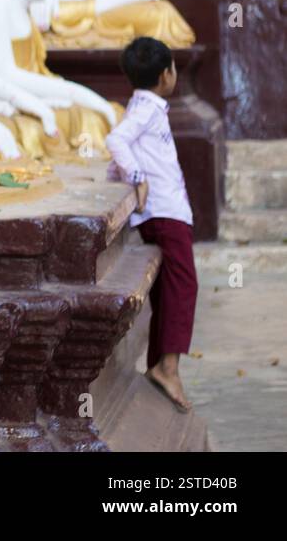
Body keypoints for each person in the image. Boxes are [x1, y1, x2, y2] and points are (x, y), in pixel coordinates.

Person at [105, 37, 197, 413]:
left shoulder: (145, 105)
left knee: (170, 286)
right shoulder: (145, 110)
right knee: (184, 283)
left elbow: (123, 145)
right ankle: (168, 366)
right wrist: (137, 176)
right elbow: (117, 139)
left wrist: (123, 174)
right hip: (164, 211)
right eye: (173, 68)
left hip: (168, 210)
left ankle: (161, 364)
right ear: (166, 74)